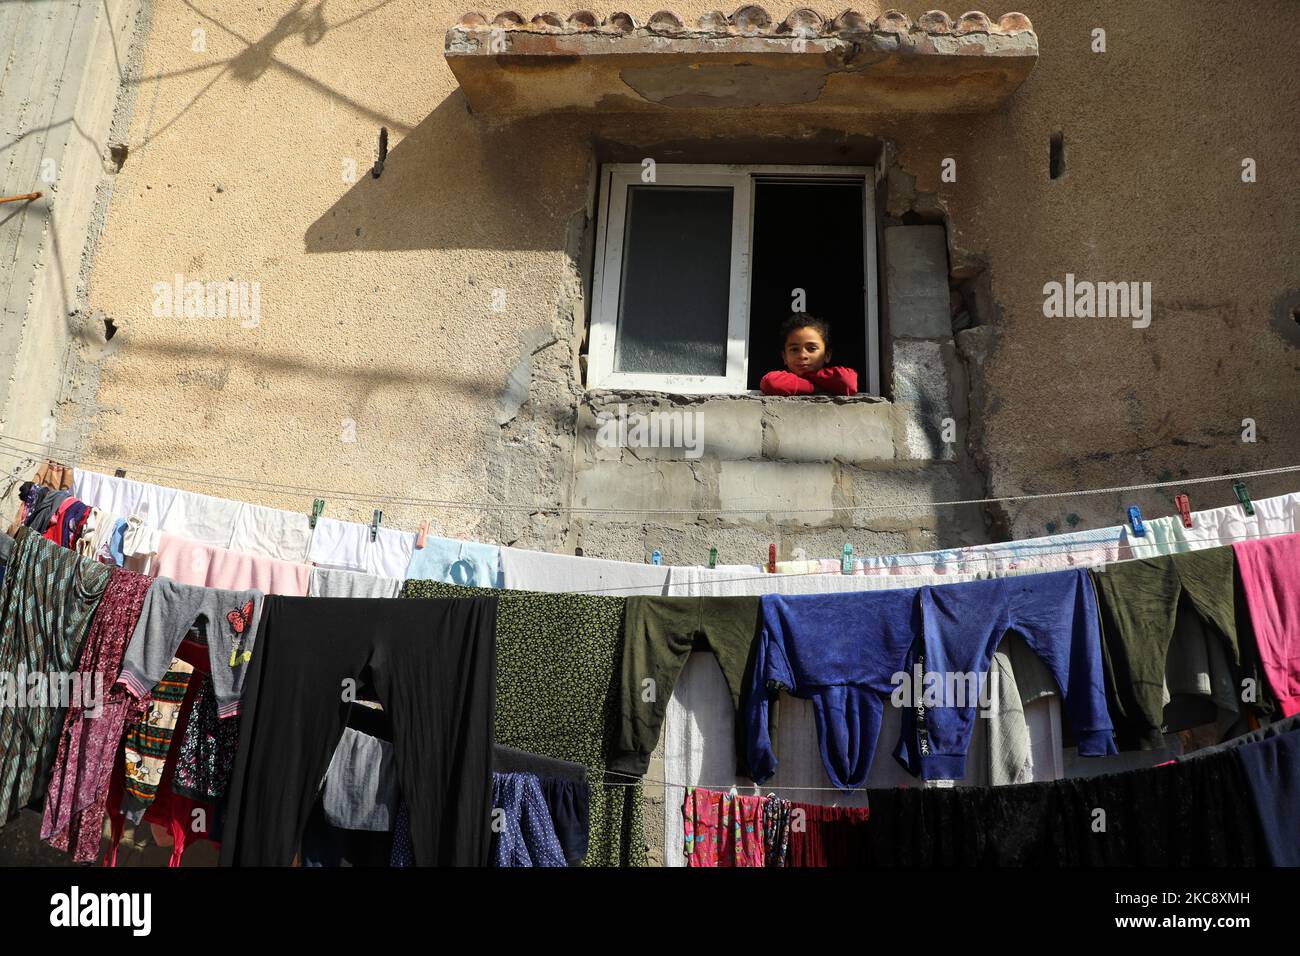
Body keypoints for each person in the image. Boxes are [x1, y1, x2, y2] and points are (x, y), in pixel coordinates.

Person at [758, 314, 858, 396]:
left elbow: (848, 382)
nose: (802, 355)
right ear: (784, 357)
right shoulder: (782, 378)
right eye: (794, 349)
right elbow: (770, 383)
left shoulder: (833, 376)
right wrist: (817, 389)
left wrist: (811, 377)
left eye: (812, 349)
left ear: (827, 355)